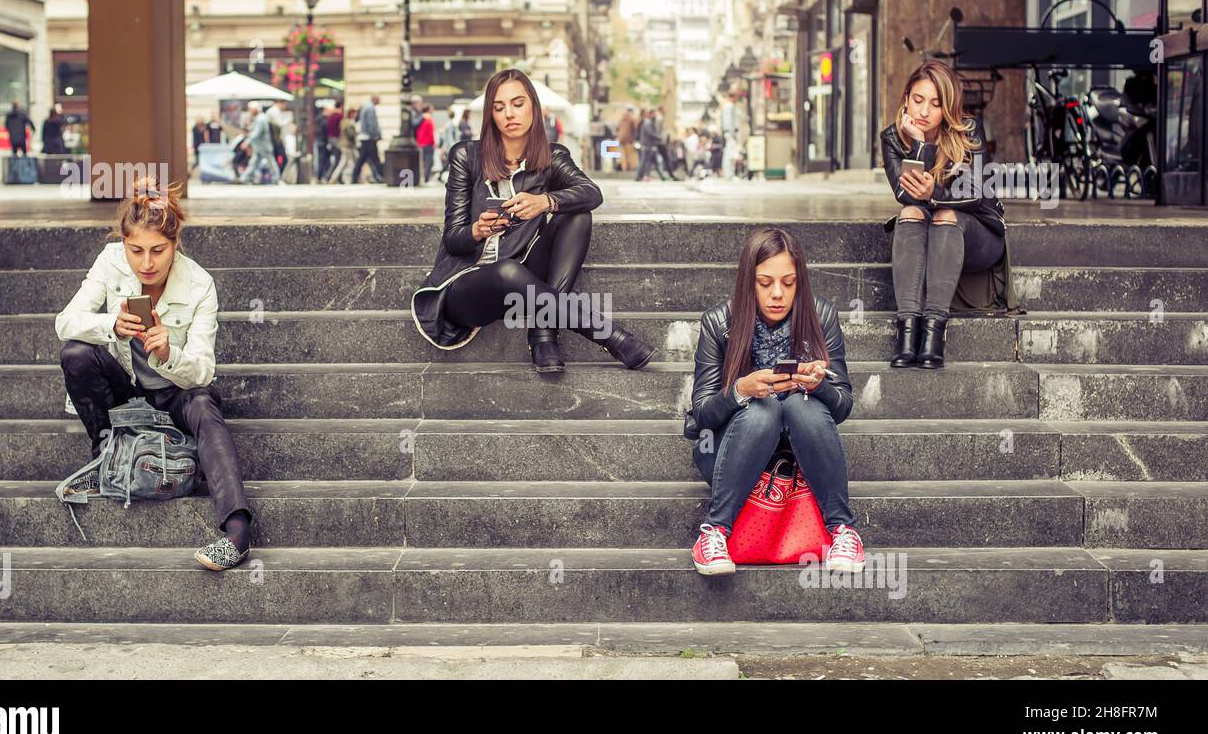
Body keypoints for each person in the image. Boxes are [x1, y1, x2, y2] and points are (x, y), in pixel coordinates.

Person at [54, 176, 255, 571]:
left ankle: (237, 531)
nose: (146, 263)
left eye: (158, 251)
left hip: (174, 393)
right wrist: (110, 325)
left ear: (175, 244)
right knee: (76, 354)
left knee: (204, 405)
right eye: (136, 250)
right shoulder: (110, 262)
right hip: (125, 389)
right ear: (124, 245)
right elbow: (65, 322)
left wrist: (168, 352)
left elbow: (203, 370)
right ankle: (105, 458)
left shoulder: (199, 284)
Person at [412, 68, 656, 373]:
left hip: (524, 272)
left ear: (533, 107)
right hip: (464, 286)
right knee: (506, 271)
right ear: (490, 115)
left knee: (577, 215)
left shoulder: (552, 157)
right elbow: (453, 239)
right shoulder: (466, 156)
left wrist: (545, 201)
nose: (509, 114)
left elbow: (591, 193)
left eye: (517, 104)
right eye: (499, 108)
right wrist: (477, 229)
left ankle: (543, 334)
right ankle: (610, 336)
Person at [685, 226, 863, 576]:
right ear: (748, 282)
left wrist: (817, 386)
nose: (777, 294)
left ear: (801, 281)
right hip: (733, 450)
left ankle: (843, 529)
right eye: (765, 283)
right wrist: (741, 390)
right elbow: (702, 416)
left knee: (800, 404)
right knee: (762, 410)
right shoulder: (718, 322)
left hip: (799, 455)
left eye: (789, 282)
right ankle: (714, 531)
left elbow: (841, 405)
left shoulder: (821, 316)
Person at [880, 60, 1016, 370]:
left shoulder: (969, 131)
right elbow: (906, 194)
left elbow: (977, 194)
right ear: (905, 98)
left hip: (978, 235)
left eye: (935, 104)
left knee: (944, 215)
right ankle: (908, 333)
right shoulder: (891, 138)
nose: (924, 111)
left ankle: (934, 333)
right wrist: (918, 144)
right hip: (927, 235)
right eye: (917, 100)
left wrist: (936, 195)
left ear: (948, 109)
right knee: (911, 211)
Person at [238, 104, 281, 184]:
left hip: (264, 147)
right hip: (259, 147)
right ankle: (245, 178)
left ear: (255, 109)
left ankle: (276, 178)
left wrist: (246, 142)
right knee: (254, 163)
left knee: (271, 163)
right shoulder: (258, 118)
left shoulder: (261, 119)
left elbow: (256, 133)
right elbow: (252, 129)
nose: (250, 111)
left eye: (251, 109)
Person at [353, 95, 385, 183]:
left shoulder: (366, 107)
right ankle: (382, 176)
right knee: (375, 159)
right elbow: (372, 124)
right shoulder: (370, 108)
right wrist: (376, 135)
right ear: (375, 100)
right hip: (369, 138)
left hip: (365, 137)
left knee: (363, 159)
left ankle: (355, 177)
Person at [615, 105, 639, 174]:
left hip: (621, 139)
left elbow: (617, 128)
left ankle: (624, 168)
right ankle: (631, 169)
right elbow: (636, 128)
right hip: (629, 139)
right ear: (632, 110)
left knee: (623, 154)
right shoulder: (633, 118)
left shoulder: (622, 118)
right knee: (630, 154)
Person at [416, 104, 436, 183]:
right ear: (428, 110)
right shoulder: (429, 119)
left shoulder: (420, 118)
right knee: (429, 162)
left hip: (421, 143)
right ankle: (426, 178)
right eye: (431, 109)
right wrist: (433, 142)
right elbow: (430, 133)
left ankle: (423, 177)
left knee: (423, 162)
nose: (433, 111)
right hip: (428, 143)